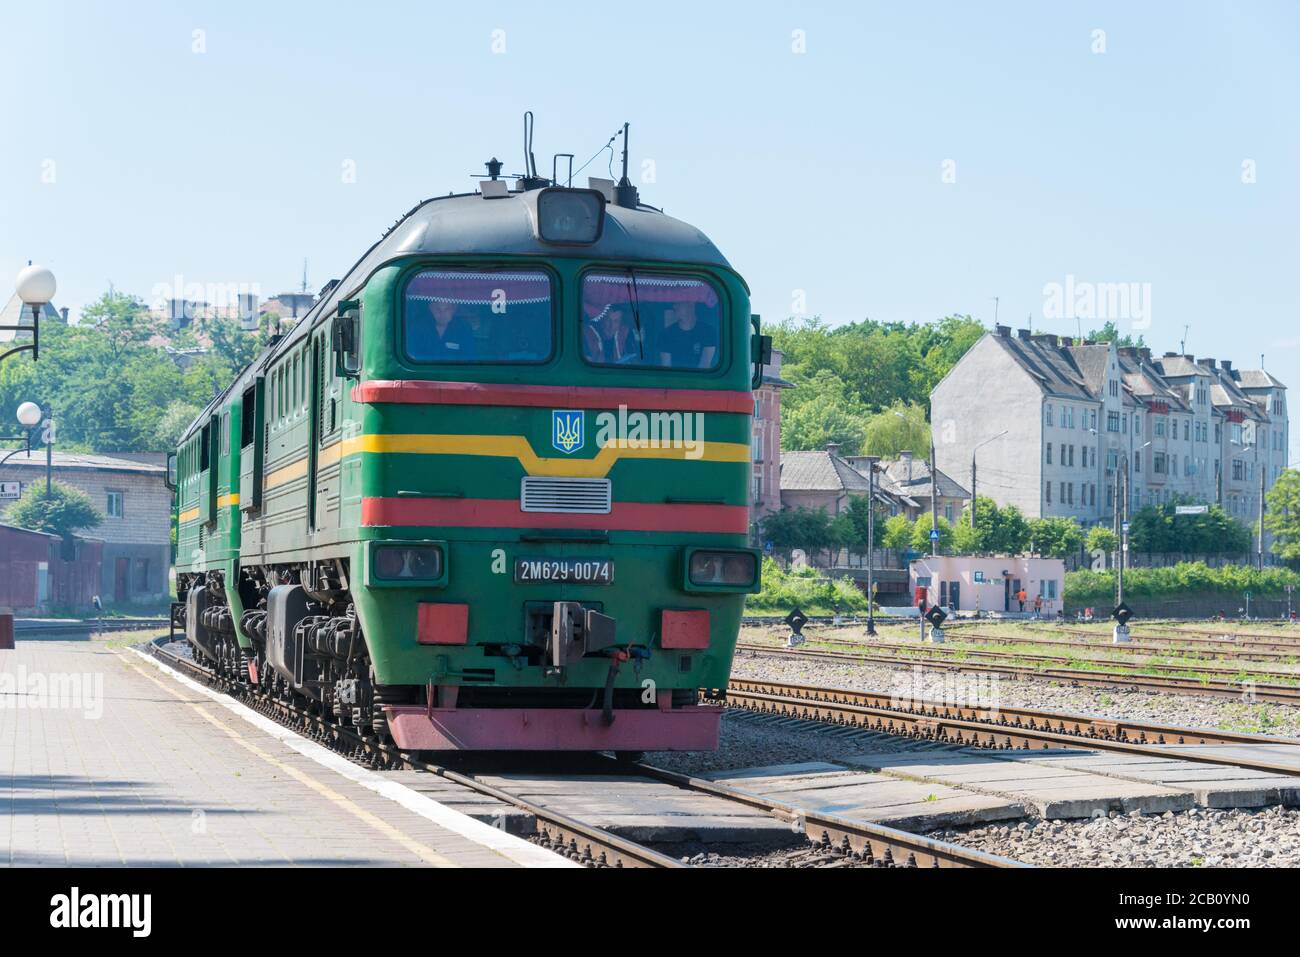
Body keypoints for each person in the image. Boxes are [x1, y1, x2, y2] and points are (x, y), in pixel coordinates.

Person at [658, 300, 716, 368]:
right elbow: (666, 367)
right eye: (674, 304)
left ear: (691, 304)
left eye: (678, 302)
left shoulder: (708, 331)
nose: (674, 306)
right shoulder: (666, 334)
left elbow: (704, 366)